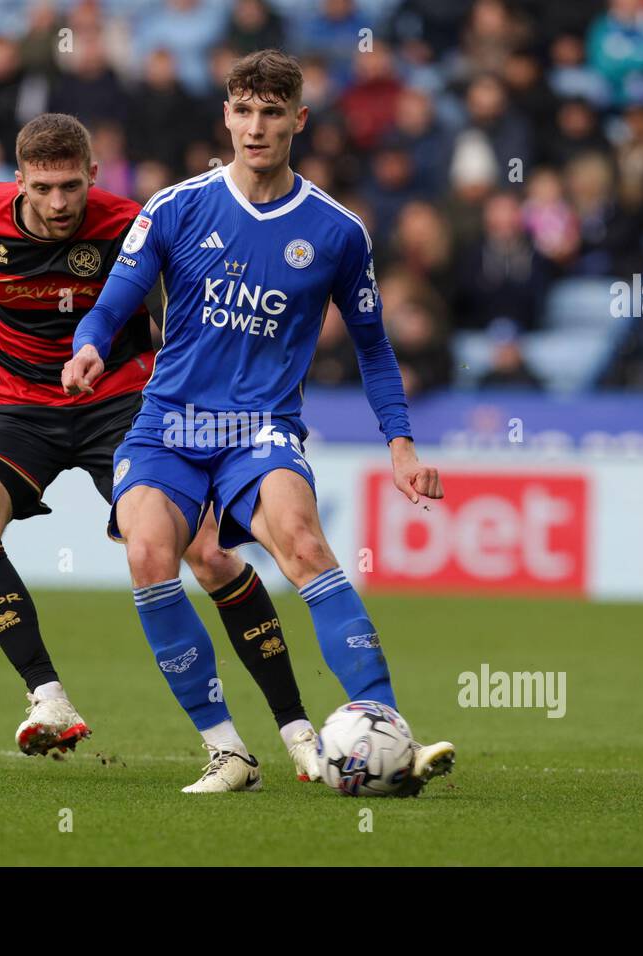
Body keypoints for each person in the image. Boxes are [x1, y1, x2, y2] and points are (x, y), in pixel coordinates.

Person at [64, 50, 455, 794]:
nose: (256, 126)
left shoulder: (337, 232)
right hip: (170, 422)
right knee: (150, 555)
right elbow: (116, 299)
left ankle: (390, 735)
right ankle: (228, 751)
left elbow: (373, 347)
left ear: (298, 121)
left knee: (304, 544)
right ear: (226, 117)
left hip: (261, 427)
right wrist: (87, 347)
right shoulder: (176, 207)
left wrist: (400, 446)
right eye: (243, 111)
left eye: (272, 112)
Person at [0, 113, 320, 780]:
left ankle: (296, 730)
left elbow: (193, 300)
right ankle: (51, 698)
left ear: (94, 175)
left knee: (207, 550)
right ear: (18, 182)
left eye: (70, 187)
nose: (58, 204)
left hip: (120, 402)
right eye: (42, 188)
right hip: (16, 405)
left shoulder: (130, 222)